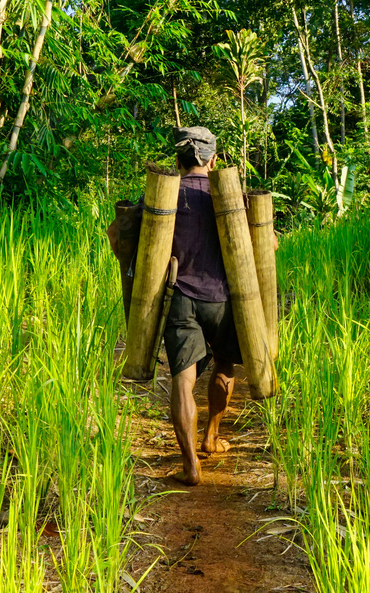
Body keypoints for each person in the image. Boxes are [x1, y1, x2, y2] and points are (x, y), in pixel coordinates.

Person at [163, 126, 242, 486]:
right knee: (224, 364)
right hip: (223, 298)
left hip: (180, 297)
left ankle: (191, 464)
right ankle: (211, 436)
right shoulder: (229, 196)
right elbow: (268, 244)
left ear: (178, 160)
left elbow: (120, 235)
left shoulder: (164, 193)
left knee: (183, 378)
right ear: (214, 161)